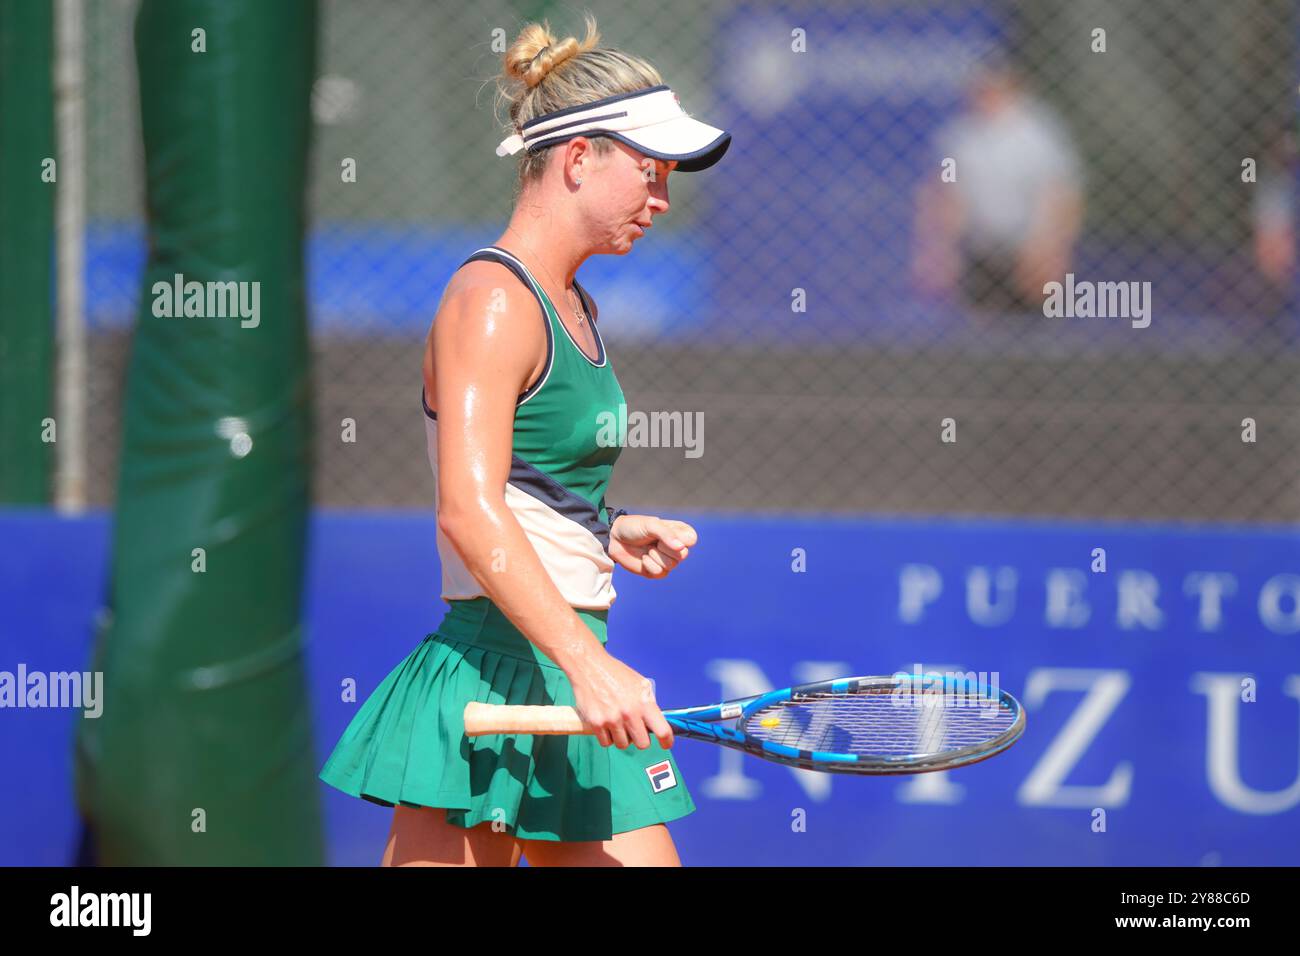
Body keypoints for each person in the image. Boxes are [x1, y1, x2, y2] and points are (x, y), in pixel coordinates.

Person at [319, 14, 730, 867]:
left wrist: (603, 528)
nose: (662, 199)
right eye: (650, 172)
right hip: (492, 672)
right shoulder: (495, 299)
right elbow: (469, 512)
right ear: (579, 159)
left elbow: (520, 484)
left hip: (555, 666)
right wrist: (589, 666)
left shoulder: (574, 303)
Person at [913, 58, 1084, 313]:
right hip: (979, 252)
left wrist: (1049, 250)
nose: (985, 95)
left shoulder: (1038, 136)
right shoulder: (958, 138)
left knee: (1035, 330)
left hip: (1029, 252)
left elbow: (1060, 195)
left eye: (994, 88)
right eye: (980, 88)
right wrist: (940, 250)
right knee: (981, 329)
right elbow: (946, 192)